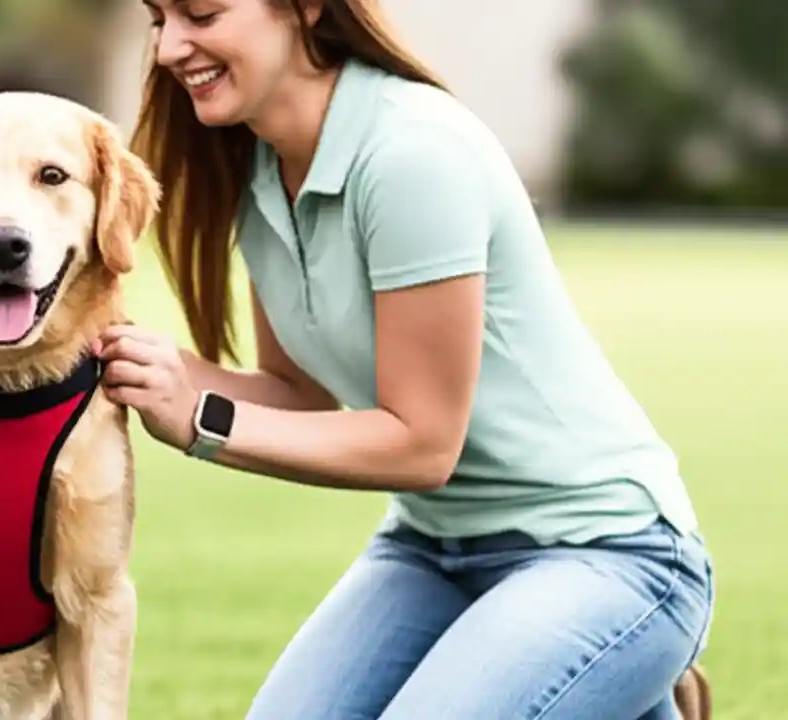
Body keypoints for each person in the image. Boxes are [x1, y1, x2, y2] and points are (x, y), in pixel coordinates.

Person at [91, 0, 716, 718]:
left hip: (606, 549)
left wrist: (204, 419)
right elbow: (299, 392)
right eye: (157, 19)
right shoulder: (260, 166)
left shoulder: (412, 152)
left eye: (201, 13)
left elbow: (423, 444)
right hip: (433, 548)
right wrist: (130, 362)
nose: (171, 47)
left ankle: (619, 646)